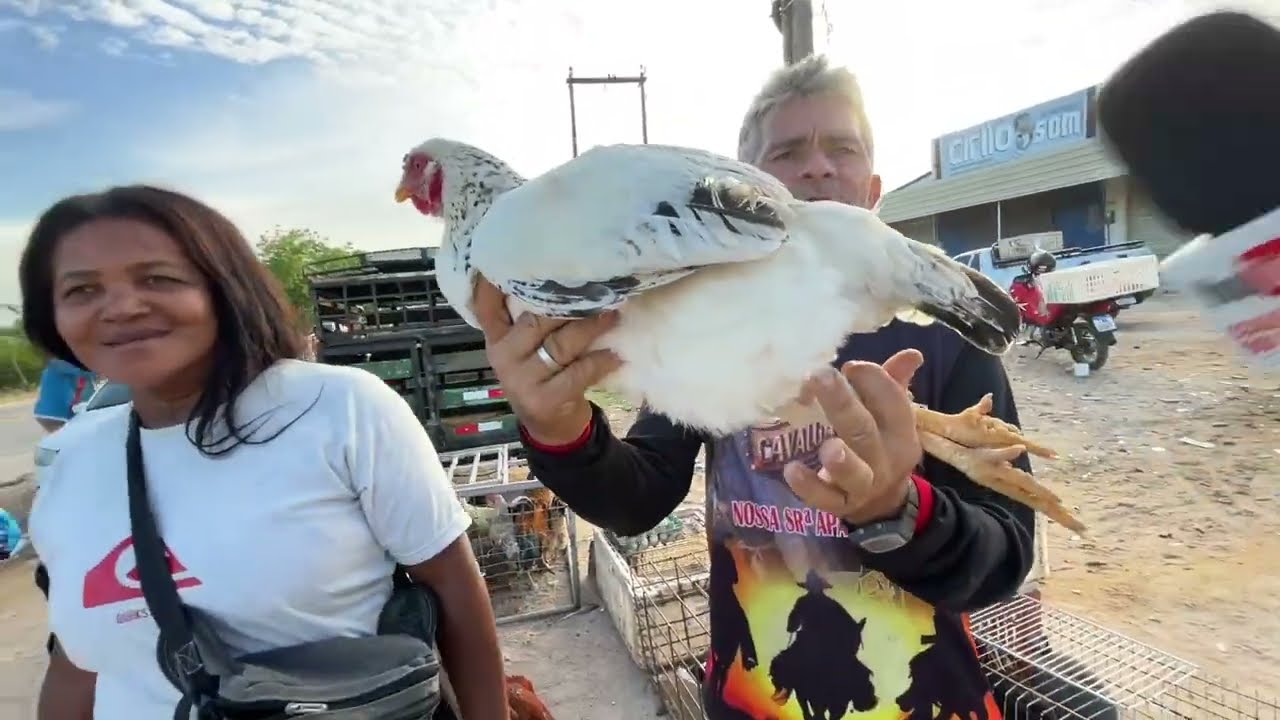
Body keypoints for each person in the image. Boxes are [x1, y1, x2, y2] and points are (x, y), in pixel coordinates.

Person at [475, 55, 1036, 720]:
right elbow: (639, 497)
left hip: (925, 701)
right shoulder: (700, 319)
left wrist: (899, 513)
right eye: (789, 151)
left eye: (842, 149)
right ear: (745, 196)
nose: (819, 167)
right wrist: (560, 429)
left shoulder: (945, 341)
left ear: (875, 187)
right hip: (754, 700)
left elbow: (1007, 554)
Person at [20, 185, 508, 720]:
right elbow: (75, 662)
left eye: (157, 278)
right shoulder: (72, 459)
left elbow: (456, 592)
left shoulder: (338, 408)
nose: (121, 307)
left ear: (222, 288)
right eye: (81, 290)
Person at [32, 356, 97, 432]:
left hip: (47, 412)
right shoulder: (59, 364)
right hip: (53, 413)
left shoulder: (56, 367)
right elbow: (86, 373)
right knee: (71, 437)